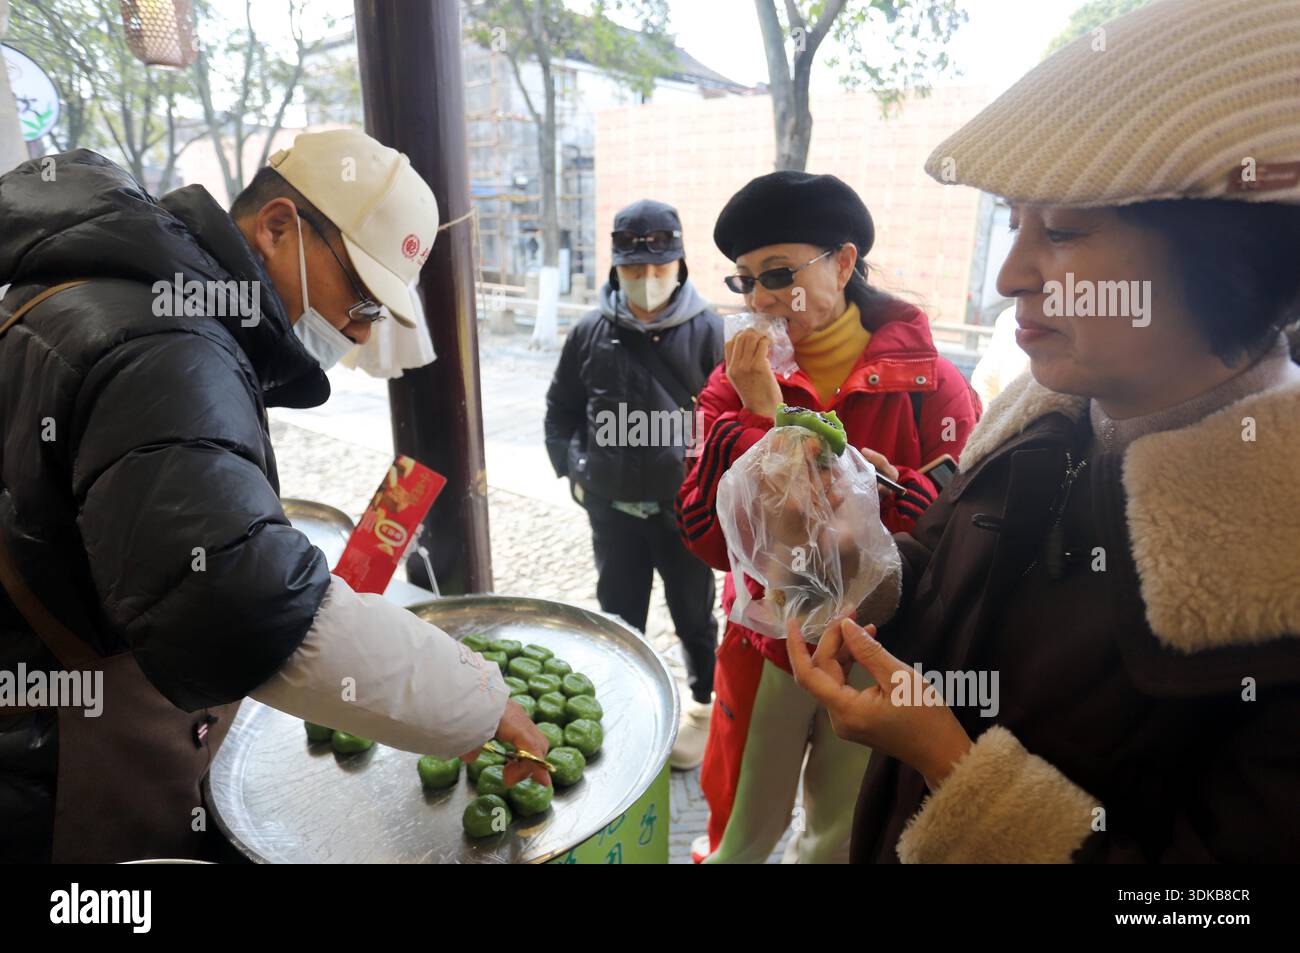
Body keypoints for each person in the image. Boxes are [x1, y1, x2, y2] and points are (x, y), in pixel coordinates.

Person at [786, 0, 1300, 863]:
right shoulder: (1040, 411)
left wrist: (949, 765)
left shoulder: (1276, 558)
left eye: (1060, 230)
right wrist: (852, 559)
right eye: (1014, 220)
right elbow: (938, 588)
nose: (1008, 275)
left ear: (1226, 258)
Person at [0, 129, 546, 863]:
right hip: (53, 763)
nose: (357, 329)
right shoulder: (165, 339)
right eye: (359, 293)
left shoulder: (116, 296)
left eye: (375, 313)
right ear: (280, 225)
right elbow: (237, 595)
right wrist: (477, 702)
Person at [675, 171, 981, 863]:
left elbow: (952, 531)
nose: (758, 298)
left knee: (839, 838)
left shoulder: (935, 385)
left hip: (876, 647)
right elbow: (706, 538)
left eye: (778, 272)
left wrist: (873, 486)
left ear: (844, 262)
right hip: (765, 646)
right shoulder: (730, 384)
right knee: (739, 829)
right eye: (744, 279)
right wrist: (761, 417)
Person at [545, 199, 724, 769]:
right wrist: (577, 472)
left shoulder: (711, 330)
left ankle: (702, 703)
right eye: (633, 270)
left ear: (680, 265)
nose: (647, 281)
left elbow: (735, 423)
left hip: (685, 515)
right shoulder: (589, 331)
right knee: (618, 613)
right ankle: (626, 699)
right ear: (615, 268)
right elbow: (560, 410)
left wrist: (712, 492)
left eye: (658, 269)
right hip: (613, 511)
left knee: (694, 613)